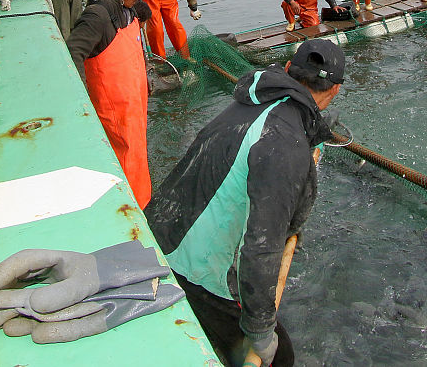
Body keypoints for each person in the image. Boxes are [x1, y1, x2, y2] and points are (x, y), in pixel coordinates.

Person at [145, 39, 346, 367]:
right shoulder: (286, 145)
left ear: (285, 72)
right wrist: (261, 330)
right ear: (335, 90)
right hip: (197, 273)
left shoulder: (248, 103)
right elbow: (261, 247)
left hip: (158, 234)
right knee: (281, 357)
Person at [66, 0, 154, 207]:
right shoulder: (98, 14)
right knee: (123, 152)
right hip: (114, 106)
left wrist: (142, 8)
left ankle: (142, 200)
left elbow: (141, 12)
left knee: (137, 151)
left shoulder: (130, 7)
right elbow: (73, 52)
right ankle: (127, 208)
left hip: (134, 99)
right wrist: (78, 96)